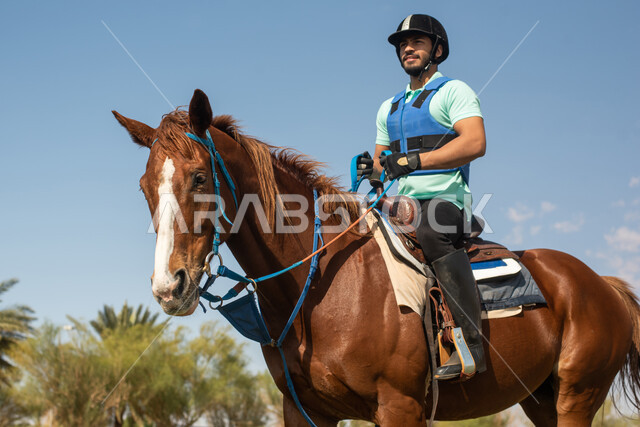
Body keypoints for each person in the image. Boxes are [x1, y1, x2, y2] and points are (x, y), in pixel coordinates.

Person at [357, 14, 487, 379]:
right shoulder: (389, 107)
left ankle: (471, 346)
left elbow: (476, 143)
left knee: (431, 231)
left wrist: (416, 160)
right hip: (405, 206)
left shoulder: (454, 92)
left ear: (438, 49)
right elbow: (385, 164)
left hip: (447, 203)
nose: (407, 49)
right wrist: (372, 169)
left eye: (416, 42)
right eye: (402, 44)